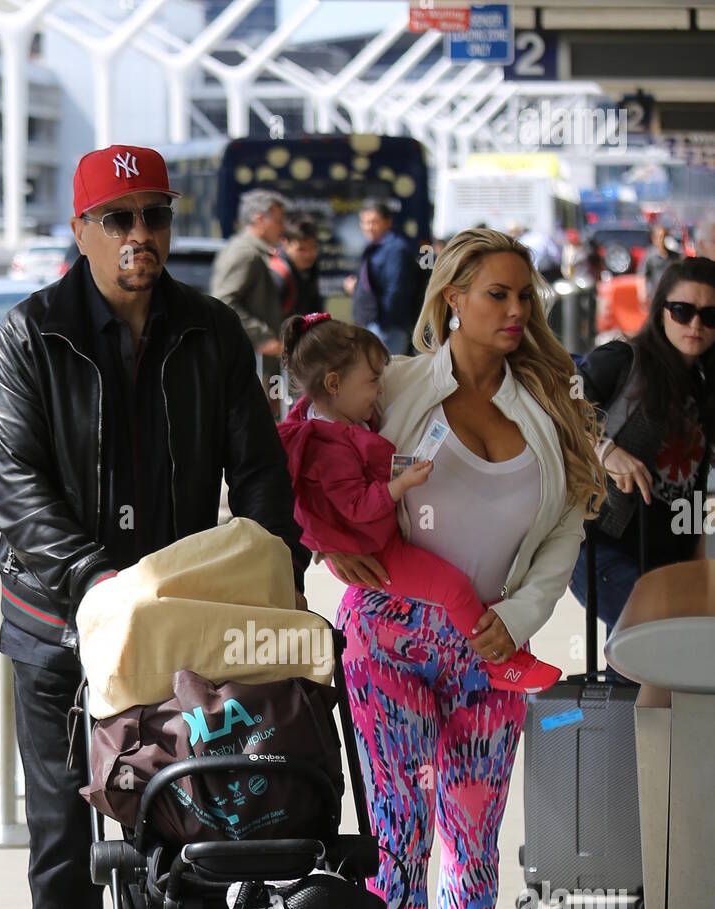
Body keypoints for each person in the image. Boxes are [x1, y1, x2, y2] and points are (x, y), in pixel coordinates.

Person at [0, 144, 308, 909]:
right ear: (79, 232)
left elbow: (257, 471)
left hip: (173, 628)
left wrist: (260, 568)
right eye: (119, 219)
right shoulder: (29, 335)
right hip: (56, 622)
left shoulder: (211, 333)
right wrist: (94, 579)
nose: (141, 237)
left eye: (155, 216)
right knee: (62, 833)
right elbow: (16, 486)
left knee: (175, 808)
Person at [321, 229, 608, 909]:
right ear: (452, 296)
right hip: (393, 639)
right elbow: (319, 463)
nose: (517, 310)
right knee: (402, 822)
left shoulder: (551, 405)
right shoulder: (395, 389)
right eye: (498, 294)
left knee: (475, 827)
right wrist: (333, 544)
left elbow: (567, 521)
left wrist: (520, 615)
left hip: (494, 648)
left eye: (527, 297)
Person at [278, 311, 562, 696]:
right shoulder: (331, 444)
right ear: (334, 383)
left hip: (376, 545)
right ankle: (500, 663)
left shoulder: (329, 412)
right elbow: (356, 506)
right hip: (377, 554)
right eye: (373, 381)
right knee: (454, 588)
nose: (381, 389)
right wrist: (399, 486)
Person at [569, 255, 715, 678]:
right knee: (647, 645)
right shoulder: (623, 359)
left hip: (670, 556)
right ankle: (624, 742)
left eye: (709, 315)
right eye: (682, 311)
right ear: (660, 310)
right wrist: (605, 450)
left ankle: (648, 743)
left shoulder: (705, 385)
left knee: (662, 657)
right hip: (604, 545)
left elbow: (696, 480)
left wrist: (697, 553)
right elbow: (558, 406)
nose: (695, 326)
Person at [209, 188, 287, 366]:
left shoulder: (254, 252)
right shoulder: (244, 253)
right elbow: (222, 302)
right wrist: (260, 337)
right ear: (259, 219)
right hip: (249, 361)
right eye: (278, 221)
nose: (282, 228)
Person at [343, 199, 424, 354]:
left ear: (387, 222)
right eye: (365, 222)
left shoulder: (395, 249)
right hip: (370, 324)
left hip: (386, 328)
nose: (369, 227)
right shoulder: (372, 247)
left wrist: (385, 323)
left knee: (387, 374)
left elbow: (396, 289)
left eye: (374, 222)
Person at [270, 212, 324, 318]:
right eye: (301, 249)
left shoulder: (311, 267)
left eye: (313, 247)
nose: (309, 255)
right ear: (285, 243)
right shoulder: (277, 273)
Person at [642, 223, 680, 300]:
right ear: (654, 238)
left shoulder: (674, 256)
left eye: (664, 237)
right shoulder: (650, 256)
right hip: (655, 295)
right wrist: (643, 294)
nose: (662, 240)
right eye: (660, 237)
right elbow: (642, 275)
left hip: (671, 294)